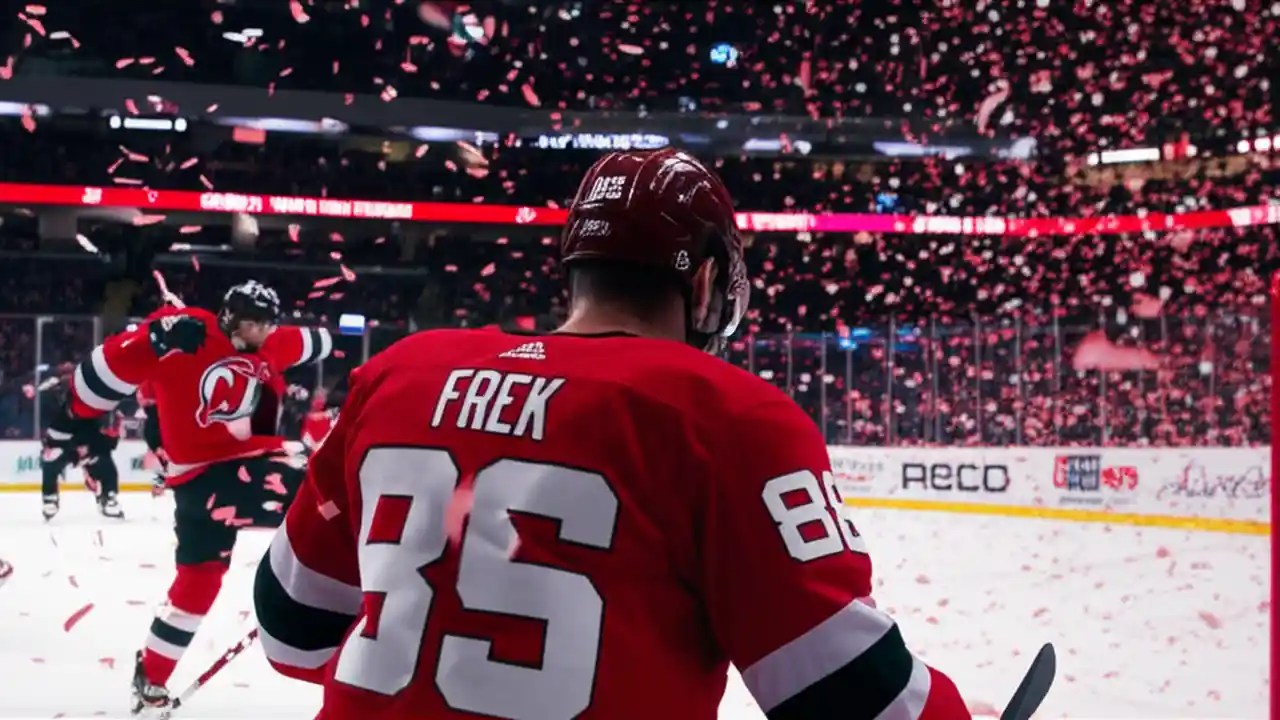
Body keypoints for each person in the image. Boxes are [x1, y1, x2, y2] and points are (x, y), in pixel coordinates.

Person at [254, 149, 971, 719]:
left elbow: (289, 635)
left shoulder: (399, 374)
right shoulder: (727, 415)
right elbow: (851, 700)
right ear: (705, 283)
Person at [44, 280, 333, 716]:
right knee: (321, 489)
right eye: (259, 324)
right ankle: (351, 590)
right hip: (205, 476)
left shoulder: (269, 345)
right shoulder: (183, 331)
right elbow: (96, 376)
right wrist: (151, 340)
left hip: (235, 468)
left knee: (200, 580)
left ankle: (151, 676)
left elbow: (318, 341)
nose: (266, 333)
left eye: (270, 325)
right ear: (236, 318)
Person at [40, 364, 125, 519]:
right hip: (66, 447)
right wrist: (73, 449)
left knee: (105, 461)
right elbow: (51, 440)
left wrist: (93, 447)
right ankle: (50, 497)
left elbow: (108, 443)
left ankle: (108, 496)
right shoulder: (57, 416)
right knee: (50, 458)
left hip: (89, 446)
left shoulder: (98, 410)